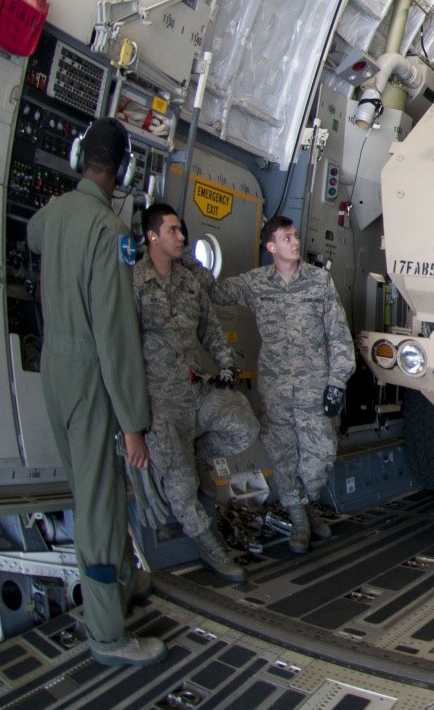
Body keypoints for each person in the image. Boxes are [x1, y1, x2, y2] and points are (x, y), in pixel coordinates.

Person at [26, 118, 163, 667]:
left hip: (53, 370)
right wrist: (133, 421)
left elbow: (35, 233)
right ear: (124, 170)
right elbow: (115, 332)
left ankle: (123, 582)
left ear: (80, 157)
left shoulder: (54, 214)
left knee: (91, 485)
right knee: (101, 504)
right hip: (88, 372)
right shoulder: (110, 233)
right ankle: (107, 633)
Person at [212, 216, 355, 554]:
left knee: (320, 457)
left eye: (295, 236)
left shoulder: (319, 282)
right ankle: (300, 517)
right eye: (286, 237)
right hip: (275, 389)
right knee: (284, 457)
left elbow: (338, 335)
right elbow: (216, 292)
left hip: (314, 388)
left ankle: (305, 504)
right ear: (271, 247)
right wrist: (187, 260)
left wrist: (337, 382)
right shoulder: (255, 283)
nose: (294, 242)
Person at [133, 203, 259, 585]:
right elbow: (119, 349)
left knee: (244, 426)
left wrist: (224, 364)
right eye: (173, 231)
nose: (182, 237)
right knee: (183, 488)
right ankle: (211, 546)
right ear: (152, 236)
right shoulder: (133, 284)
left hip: (195, 389)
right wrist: (131, 423)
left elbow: (211, 330)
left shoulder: (190, 284)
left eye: (182, 231)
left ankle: (189, 455)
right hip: (159, 403)